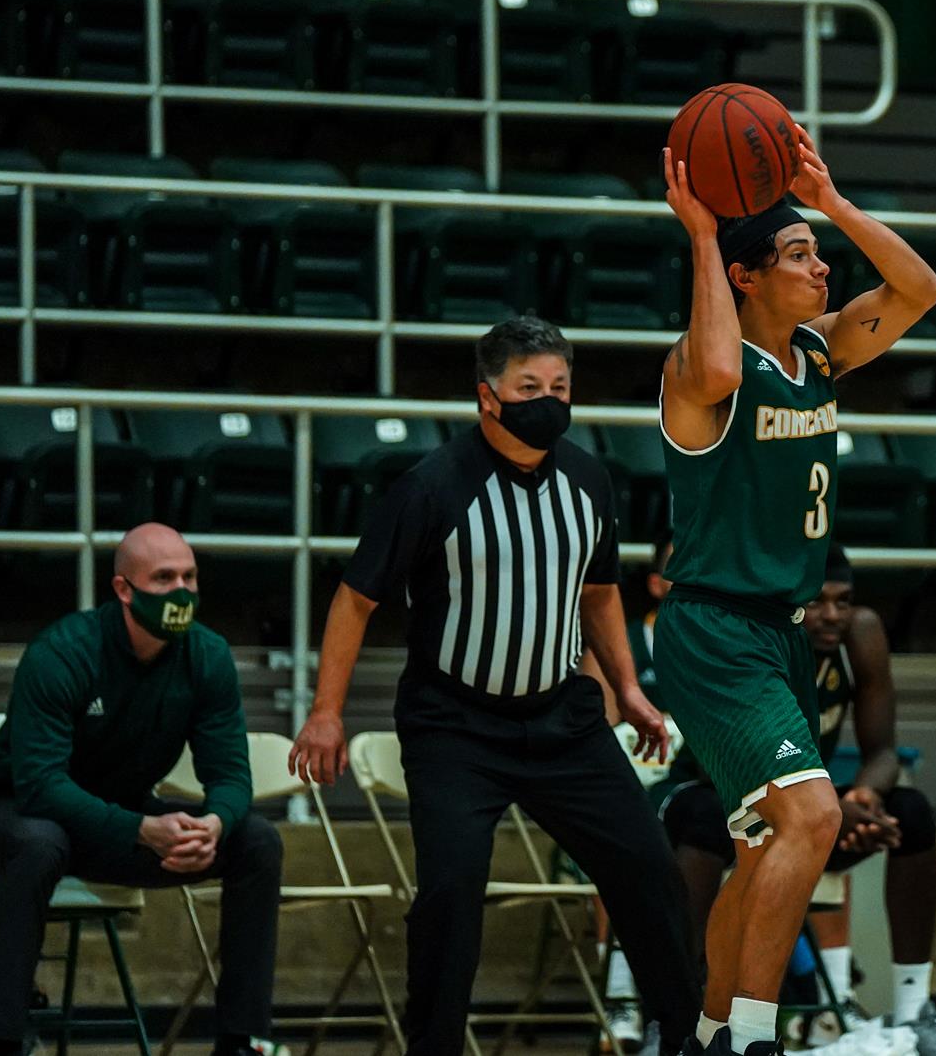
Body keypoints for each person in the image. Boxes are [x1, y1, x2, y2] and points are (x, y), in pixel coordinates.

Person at [288, 317, 698, 1056]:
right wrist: (325, 712)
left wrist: (630, 690)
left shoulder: (589, 478)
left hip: (563, 719)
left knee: (649, 871)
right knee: (450, 894)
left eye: (560, 387)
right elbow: (355, 598)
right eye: (530, 387)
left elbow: (600, 591)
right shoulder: (431, 486)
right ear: (488, 396)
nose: (549, 400)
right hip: (455, 725)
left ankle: (686, 1039)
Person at [657, 132, 936, 1056]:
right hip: (713, 628)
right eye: (798, 254)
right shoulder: (701, 373)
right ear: (745, 276)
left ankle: (704, 1030)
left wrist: (831, 202)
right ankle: (750, 1034)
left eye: (818, 254)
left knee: (762, 851)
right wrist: (703, 235)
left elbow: (921, 290)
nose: (822, 265)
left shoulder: (820, 354)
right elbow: (716, 368)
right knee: (814, 816)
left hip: (780, 633)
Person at [0, 523, 282, 1056]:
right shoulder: (63, 652)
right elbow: (41, 787)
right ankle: (0, 1041)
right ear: (123, 590)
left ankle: (241, 1041)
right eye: (163, 578)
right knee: (43, 842)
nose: (181, 591)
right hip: (8, 816)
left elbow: (229, 773)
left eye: (190, 576)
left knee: (256, 841)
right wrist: (140, 829)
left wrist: (214, 822)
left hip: (118, 824)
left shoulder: (208, 656)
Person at [660, 542, 936, 1055]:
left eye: (843, 600)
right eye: (817, 602)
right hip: (717, 794)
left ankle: (915, 1006)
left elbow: (884, 751)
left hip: (810, 807)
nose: (832, 615)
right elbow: (722, 765)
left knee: (912, 813)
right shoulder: (759, 635)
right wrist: (833, 803)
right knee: (705, 818)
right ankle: (678, 1011)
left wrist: (864, 796)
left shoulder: (862, 635)